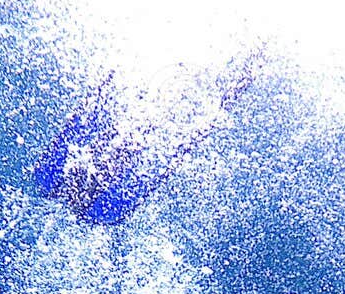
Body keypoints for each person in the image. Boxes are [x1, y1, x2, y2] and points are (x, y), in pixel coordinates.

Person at [34, 49, 262, 225]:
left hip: (87, 184)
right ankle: (241, 76)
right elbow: (178, 155)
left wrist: (110, 75)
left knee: (136, 131)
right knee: (142, 131)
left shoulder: (71, 189)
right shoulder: (101, 207)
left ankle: (239, 77)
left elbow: (177, 156)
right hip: (90, 187)